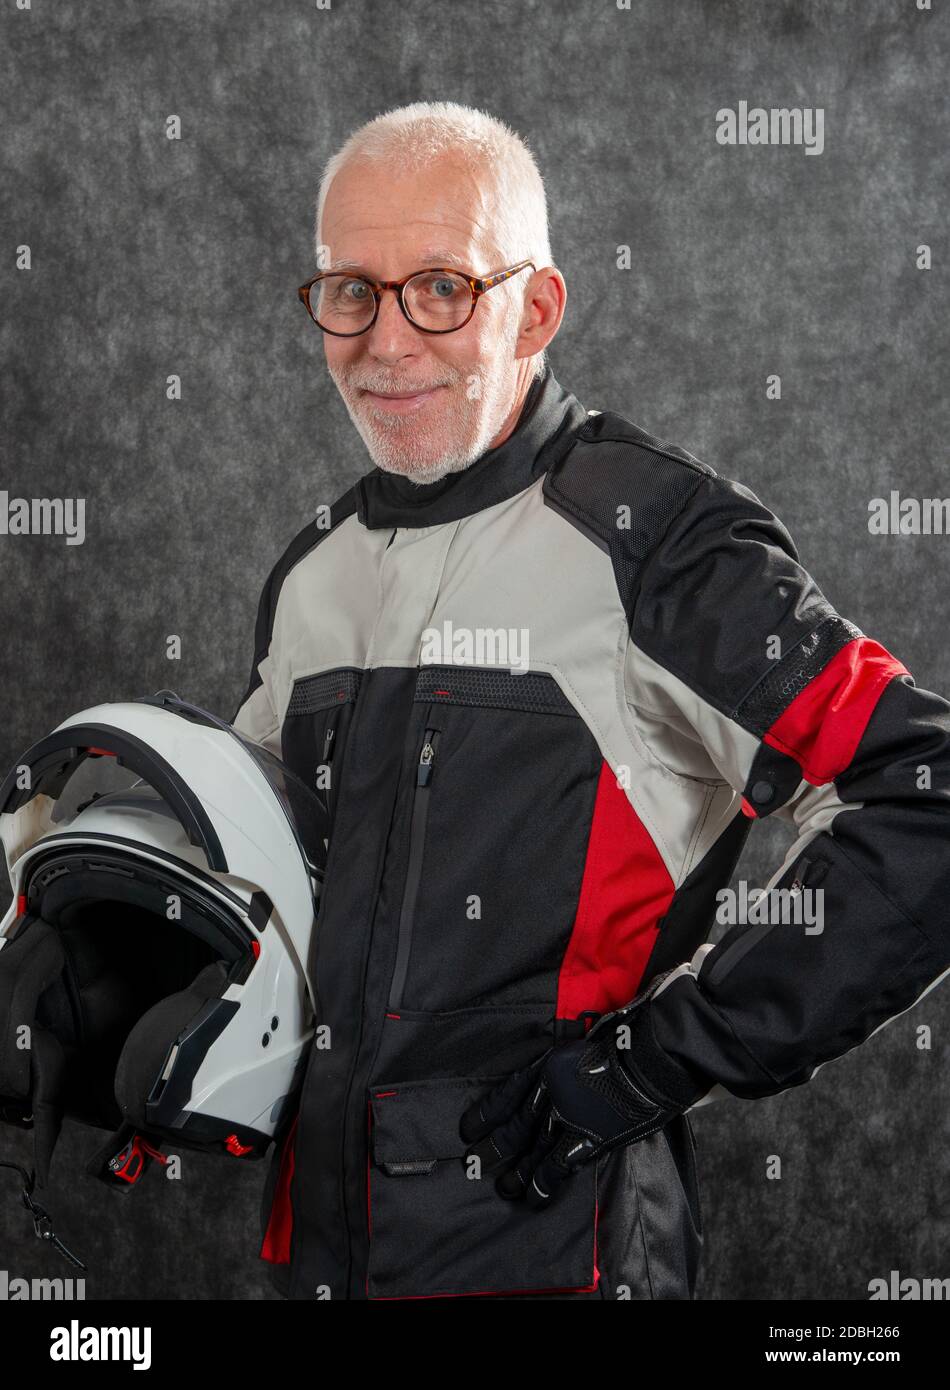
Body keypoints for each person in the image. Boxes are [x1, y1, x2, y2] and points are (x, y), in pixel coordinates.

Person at [231, 100, 950, 1301]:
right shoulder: (311, 573)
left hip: (561, 1250)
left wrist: (656, 1056)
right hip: (318, 1258)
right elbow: (257, 891)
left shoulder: (659, 538)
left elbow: (925, 792)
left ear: (539, 308)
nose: (387, 340)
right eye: (350, 291)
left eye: (441, 288)